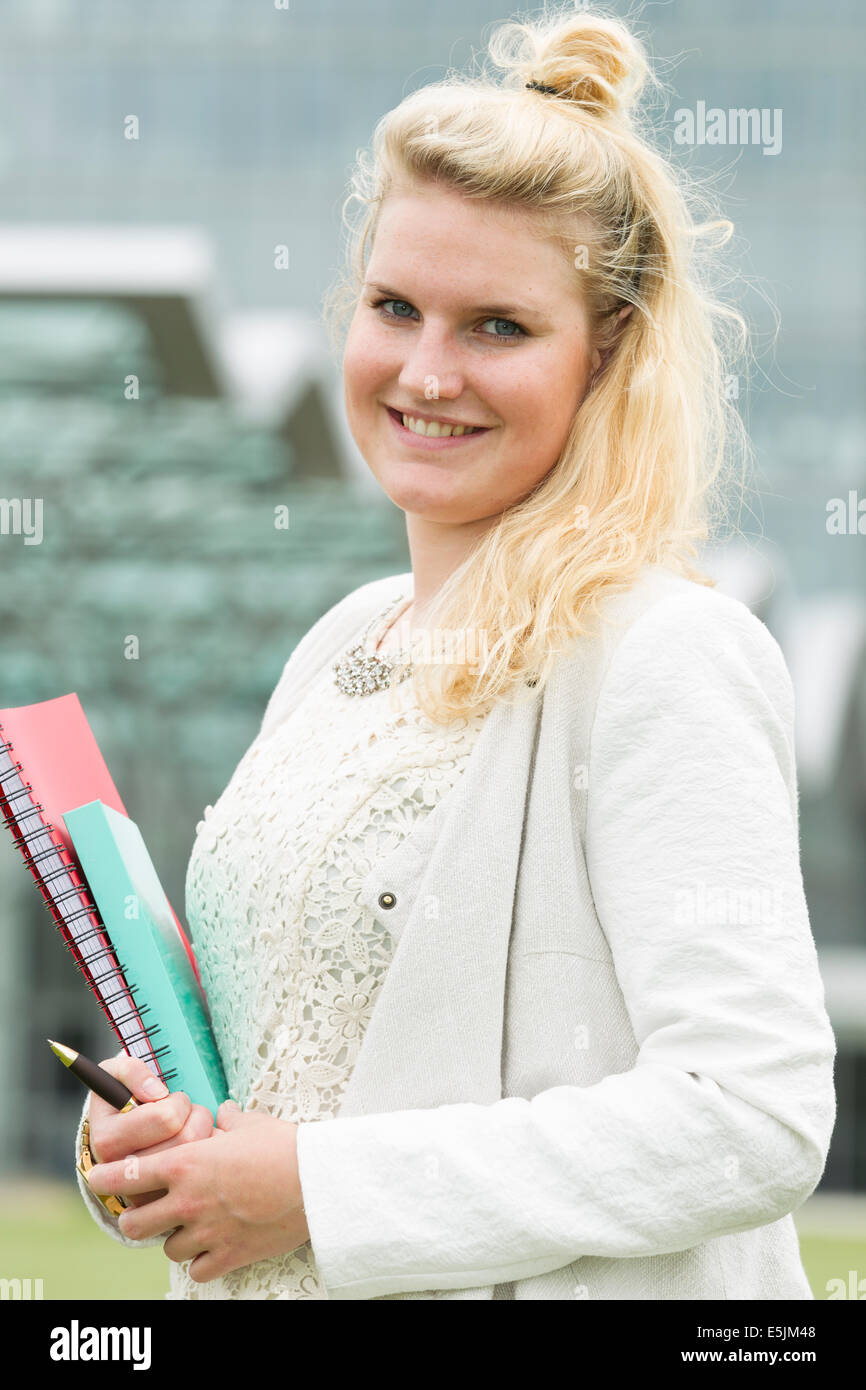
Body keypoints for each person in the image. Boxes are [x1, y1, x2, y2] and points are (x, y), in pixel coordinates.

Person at [76, 4, 836, 1300]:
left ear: (607, 361)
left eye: (496, 325)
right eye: (394, 306)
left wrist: (314, 1188)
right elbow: (286, 1068)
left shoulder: (666, 654)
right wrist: (156, 1140)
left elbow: (751, 1108)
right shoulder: (337, 647)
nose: (426, 371)